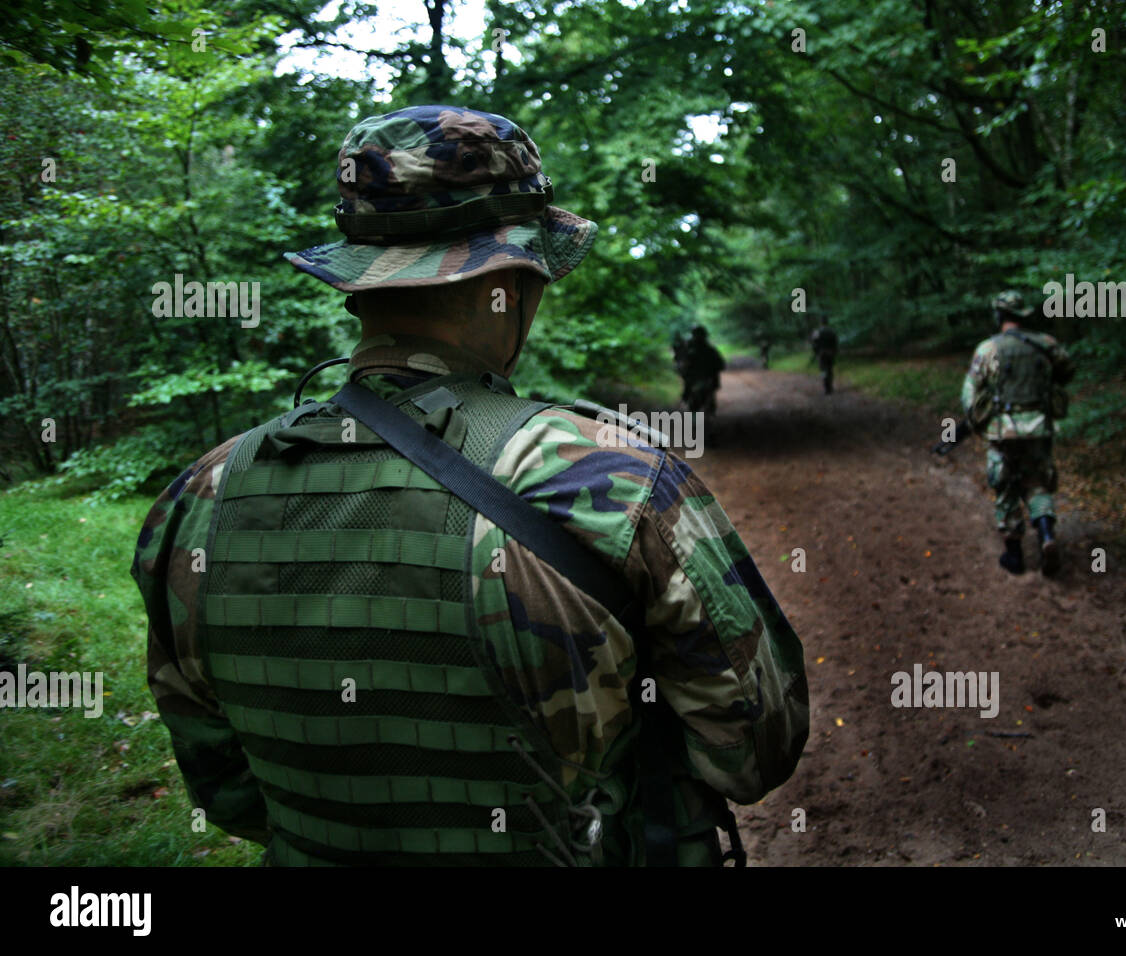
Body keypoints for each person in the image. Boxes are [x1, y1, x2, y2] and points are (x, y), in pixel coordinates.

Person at [130, 105, 808, 867]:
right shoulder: (616, 480)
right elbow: (755, 749)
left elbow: (226, 791)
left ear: (358, 286)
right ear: (512, 282)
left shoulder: (200, 499)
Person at [961, 290, 1075, 576]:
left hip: (1004, 432)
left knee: (1006, 486)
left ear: (999, 315)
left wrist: (976, 421)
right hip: (1039, 427)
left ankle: (1014, 557)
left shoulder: (987, 349)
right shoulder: (1046, 344)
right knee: (1038, 483)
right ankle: (1046, 535)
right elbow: (1067, 373)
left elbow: (969, 395)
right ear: (1023, 314)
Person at [679, 324, 725, 414]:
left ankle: (706, 408)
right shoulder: (707, 349)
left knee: (694, 392)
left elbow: (720, 364)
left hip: (705, 378)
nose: (698, 337)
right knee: (689, 390)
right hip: (697, 379)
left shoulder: (708, 349)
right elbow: (721, 365)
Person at [809, 321, 838, 394]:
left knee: (823, 370)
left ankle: (826, 387)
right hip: (830, 353)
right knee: (830, 369)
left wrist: (816, 353)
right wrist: (834, 352)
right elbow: (835, 342)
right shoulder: (832, 331)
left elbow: (814, 343)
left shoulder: (817, 332)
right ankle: (830, 386)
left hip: (822, 354)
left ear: (821, 323)